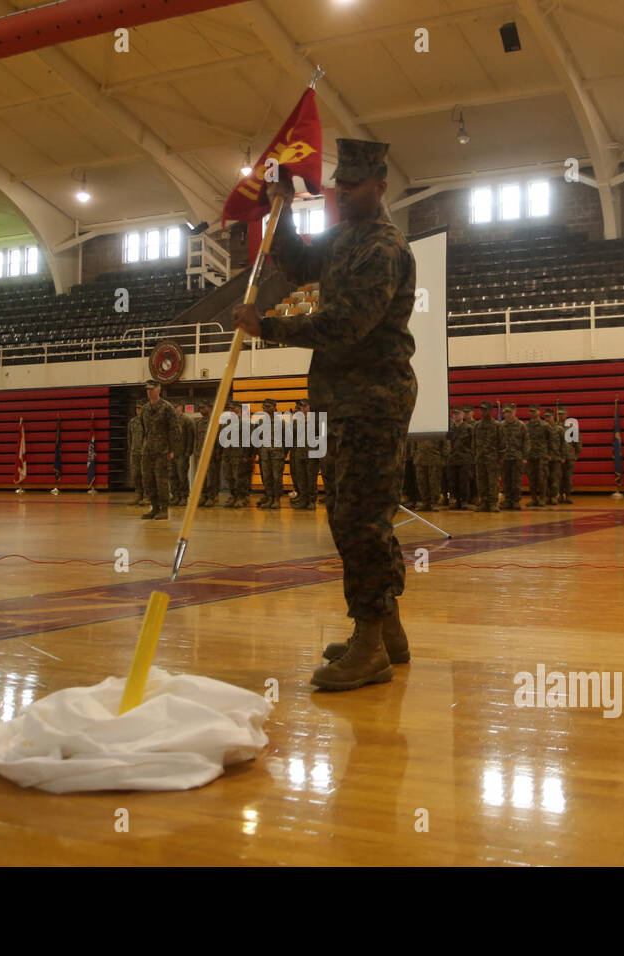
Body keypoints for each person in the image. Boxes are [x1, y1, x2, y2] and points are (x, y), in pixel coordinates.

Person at [232, 137, 415, 691]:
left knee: (359, 518)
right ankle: (388, 631)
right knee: (356, 513)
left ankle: (370, 644)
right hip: (344, 398)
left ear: (380, 186)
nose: (342, 193)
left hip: (374, 398)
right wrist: (279, 208)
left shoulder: (382, 248)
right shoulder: (343, 239)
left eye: (353, 185)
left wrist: (270, 326)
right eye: (338, 184)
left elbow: (346, 324)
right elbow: (297, 261)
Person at [138, 381, 175, 519]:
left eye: (152, 389)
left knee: (162, 480)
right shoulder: (145, 409)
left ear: (158, 389)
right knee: (148, 480)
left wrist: (172, 450)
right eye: (147, 389)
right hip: (148, 451)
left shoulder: (167, 408)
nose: (149, 392)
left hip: (162, 451)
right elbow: (144, 430)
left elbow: (175, 430)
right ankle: (154, 507)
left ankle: (164, 509)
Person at [289, 398, 318, 511]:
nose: (302, 408)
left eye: (304, 406)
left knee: (311, 479)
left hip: (312, 454)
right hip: (299, 454)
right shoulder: (296, 421)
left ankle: (311, 501)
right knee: (301, 479)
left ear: (309, 407)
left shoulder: (317, 420)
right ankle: (303, 499)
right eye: (300, 406)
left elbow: (323, 436)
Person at [258, 399, 287, 510]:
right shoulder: (261, 422)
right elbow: (258, 438)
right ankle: (269, 498)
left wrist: (283, 452)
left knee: (277, 478)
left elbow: (287, 439)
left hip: (277, 454)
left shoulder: (282, 422)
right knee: (267, 477)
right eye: (264, 407)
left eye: (268, 406)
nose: (266, 409)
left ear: (275, 407)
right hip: (265, 454)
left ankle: (276, 500)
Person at [474, 400, 502, 512]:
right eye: (481, 409)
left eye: (485, 409)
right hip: (480, 458)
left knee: (493, 482)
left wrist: (499, 458)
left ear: (490, 410)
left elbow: (502, 443)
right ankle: (484, 502)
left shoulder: (497, 426)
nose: (483, 412)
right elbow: (473, 443)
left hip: (492, 459)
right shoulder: (477, 426)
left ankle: (493, 503)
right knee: (481, 482)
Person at [500, 404, 526, 510]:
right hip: (505, 458)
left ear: (514, 412)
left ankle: (515, 501)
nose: (507, 414)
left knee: (516, 481)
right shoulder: (501, 425)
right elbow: (498, 441)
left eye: (509, 412)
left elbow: (526, 442)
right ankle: (507, 500)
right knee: (506, 481)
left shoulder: (521, 425)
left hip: (517, 458)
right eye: (506, 412)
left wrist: (525, 457)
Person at [447, 407, 474, 509]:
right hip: (452, 459)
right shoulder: (450, 429)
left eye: (458, 414)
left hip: (465, 458)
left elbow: (473, 443)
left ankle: (464, 501)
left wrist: (471, 456)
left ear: (463, 415)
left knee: (464, 481)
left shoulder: (468, 428)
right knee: (452, 481)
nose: (456, 416)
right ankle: (455, 501)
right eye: (454, 414)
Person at [525, 404, 549, 507]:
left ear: (539, 412)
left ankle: (542, 498)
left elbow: (550, 441)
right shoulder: (526, 426)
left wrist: (548, 454)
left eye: (534, 411)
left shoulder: (545, 426)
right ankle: (534, 499)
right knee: (531, 479)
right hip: (530, 456)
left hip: (541, 456)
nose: (532, 413)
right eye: (531, 411)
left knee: (541, 479)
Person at [558, 405, 580, 504]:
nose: (560, 416)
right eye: (559, 414)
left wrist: (576, 454)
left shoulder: (571, 426)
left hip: (569, 456)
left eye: (562, 414)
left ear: (566, 414)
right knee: (558, 477)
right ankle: (560, 495)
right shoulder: (555, 426)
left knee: (567, 477)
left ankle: (568, 495)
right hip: (558, 456)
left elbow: (577, 441)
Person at [127, 402, 145, 506]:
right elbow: (129, 437)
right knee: (136, 474)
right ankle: (139, 495)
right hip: (134, 452)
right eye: (137, 409)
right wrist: (131, 449)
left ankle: (147, 496)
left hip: (144, 452)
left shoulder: (147, 421)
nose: (138, 411)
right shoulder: (132, 422)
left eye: (140, 409)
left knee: (145, 475)